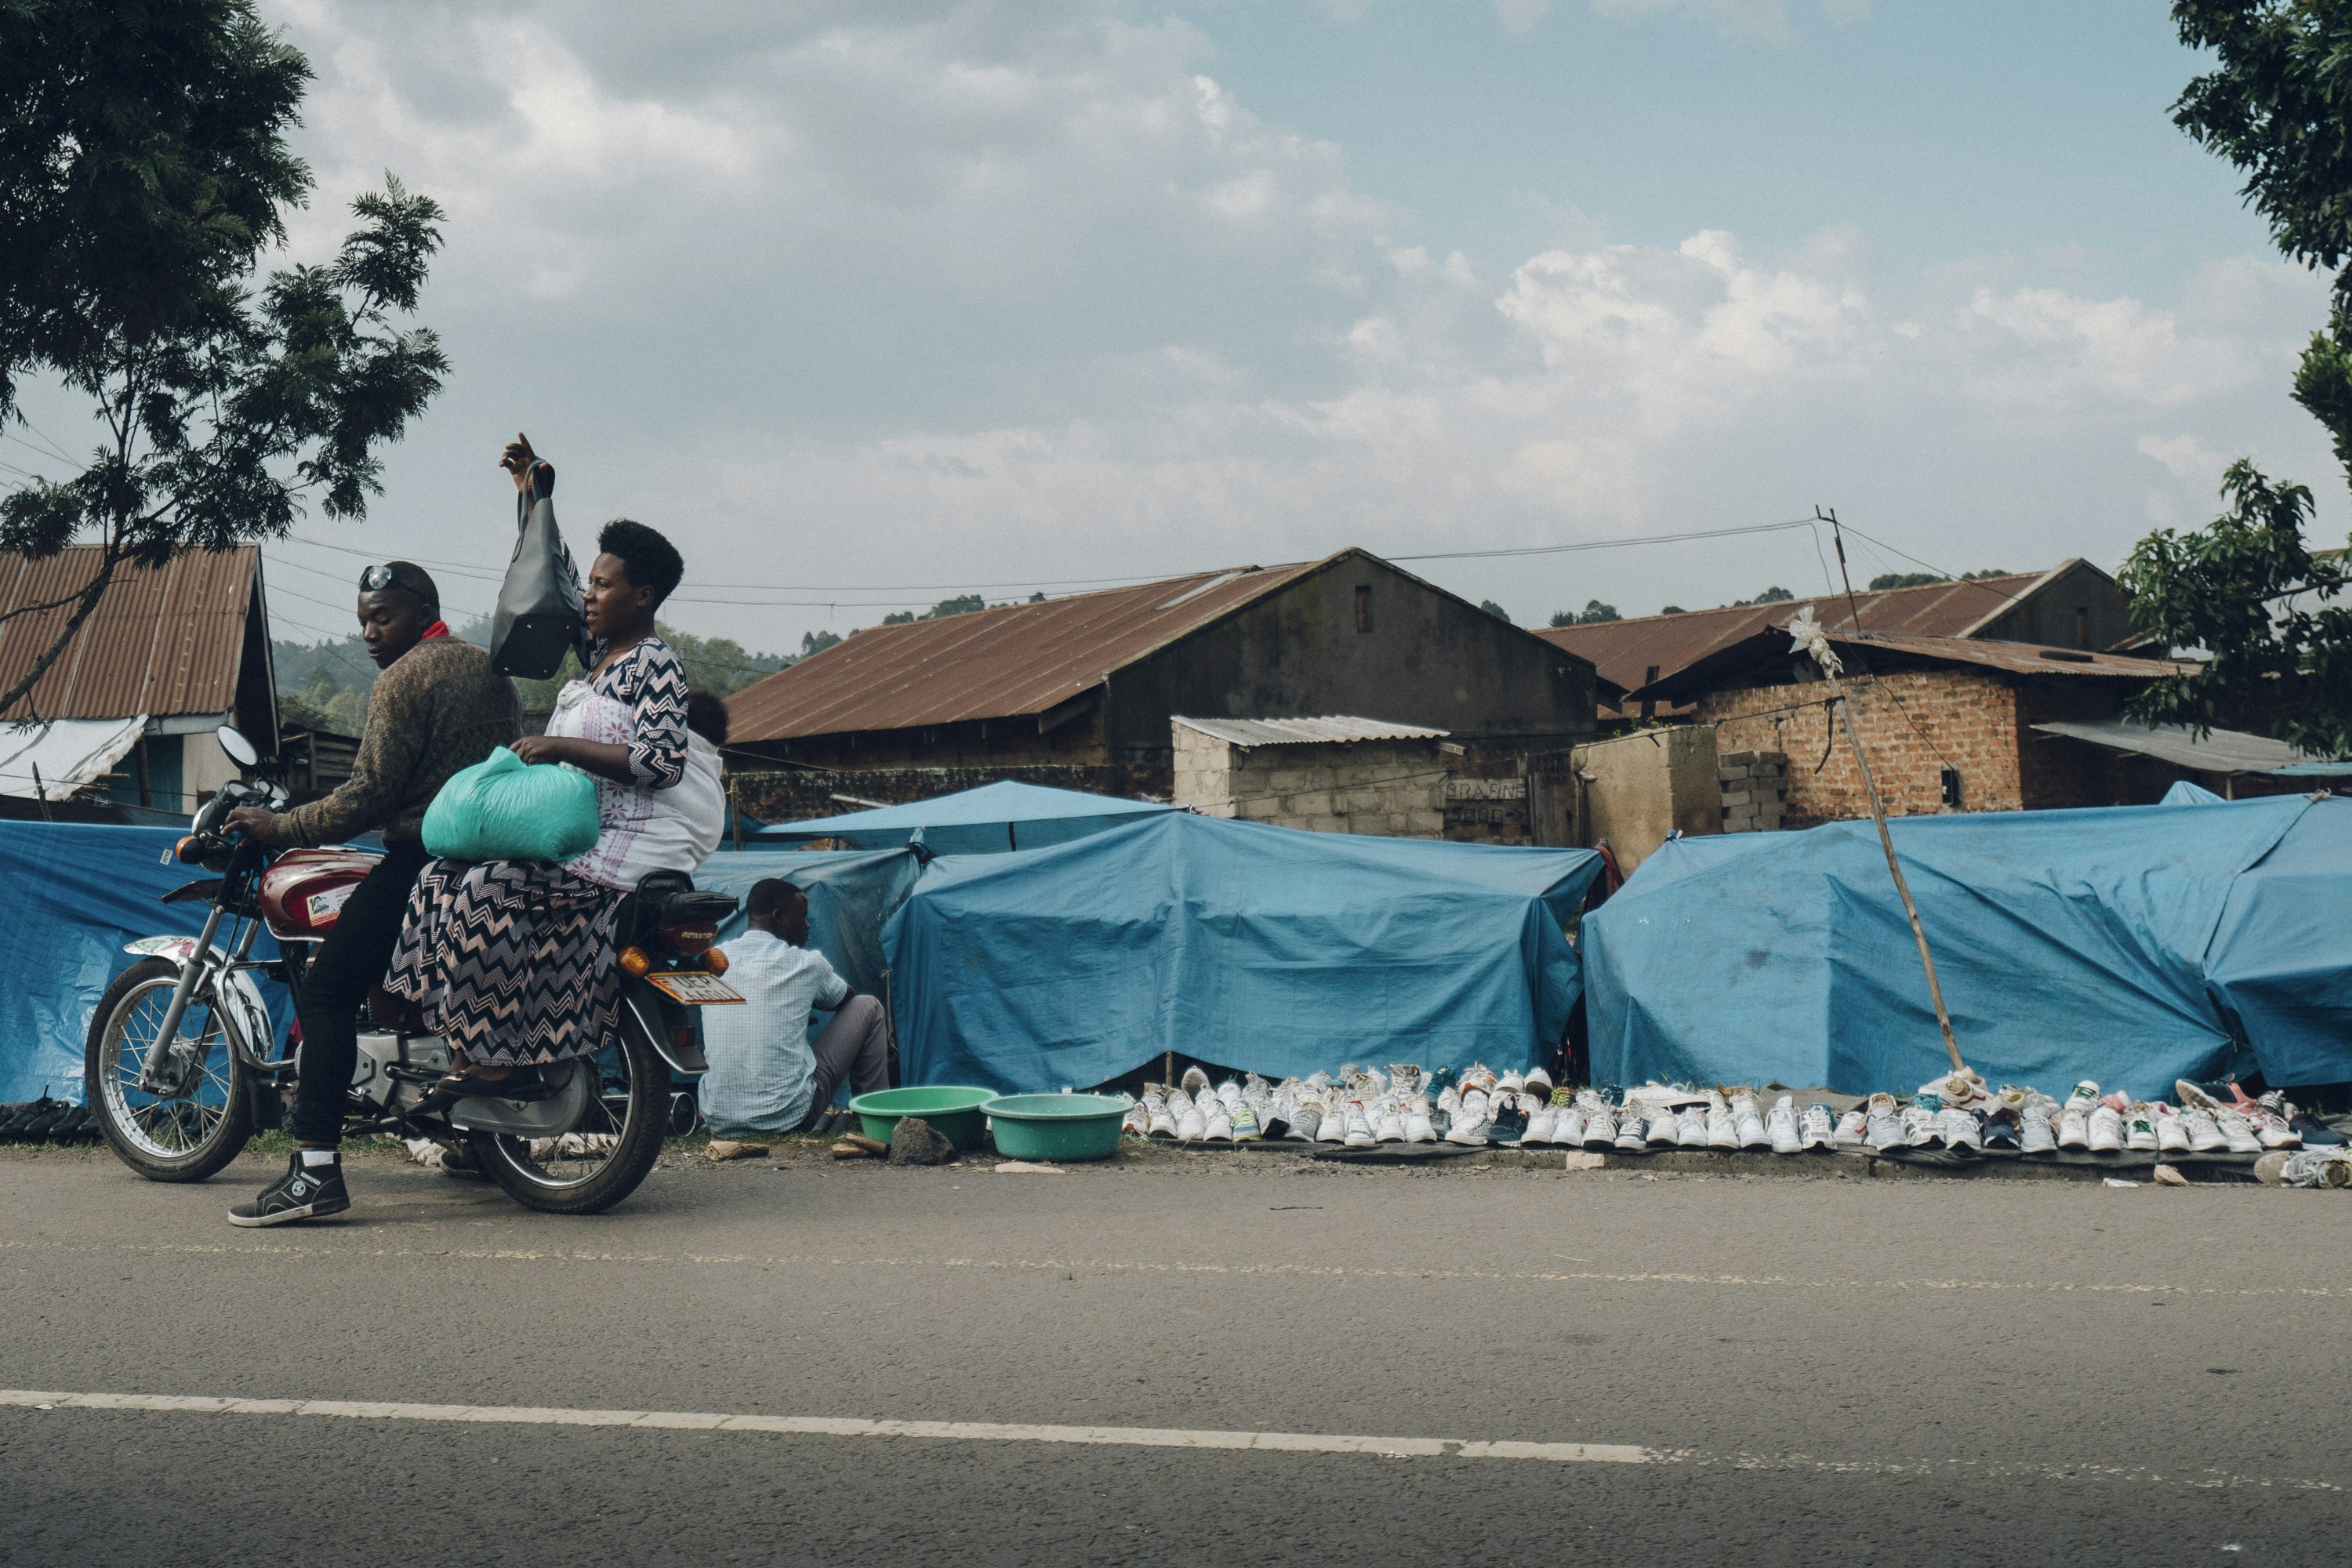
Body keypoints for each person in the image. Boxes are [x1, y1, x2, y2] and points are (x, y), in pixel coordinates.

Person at [383, 434, 722, 1107]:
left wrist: (560, 748)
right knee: (436, 879)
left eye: (606, 585)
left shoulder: (654, 664)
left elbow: (658, 762)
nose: (591, 595)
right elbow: (556, 583)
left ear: (643, 595)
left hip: (622, 848)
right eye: (593, 583)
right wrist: (535, 500)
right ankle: (454, 1038)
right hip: (580, 841)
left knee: (485, 891)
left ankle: (495, 1059)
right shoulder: (602, 654)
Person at [225, 564, 521, 1226]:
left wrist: (281, 826)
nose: (368, 633)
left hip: (423, 858)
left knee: (329, 990)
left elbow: (369, 795)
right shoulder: (490, 668)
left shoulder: (402, 680)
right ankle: (474, 1141)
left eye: (381, 617)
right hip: (496, 854)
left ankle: (315, 1172)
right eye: (362, 619)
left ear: (422, 612)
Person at [698, 880, 889, 1136]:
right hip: (788, 1117)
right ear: (780, 917)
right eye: (803, 917)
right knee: (868, 1006)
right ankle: (876, 1118)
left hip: (718, 1118)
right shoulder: (805, 964)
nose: (808, 925)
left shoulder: (715, 959)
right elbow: (847, 999)